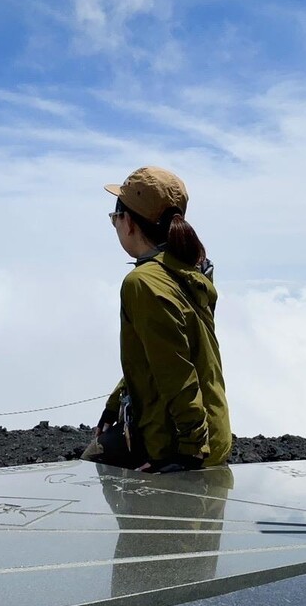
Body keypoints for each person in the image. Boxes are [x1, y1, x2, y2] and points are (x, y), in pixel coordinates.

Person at [84, 166, 232, 473]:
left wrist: (189, 454)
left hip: (178, 445)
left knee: (93, 472)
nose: (114, 225)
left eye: (115, 217)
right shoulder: (190, 272)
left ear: (129, 223)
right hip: (213, 433)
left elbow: (176, 373)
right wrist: (114, 404)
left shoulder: (144, 283)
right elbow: (159, 353)